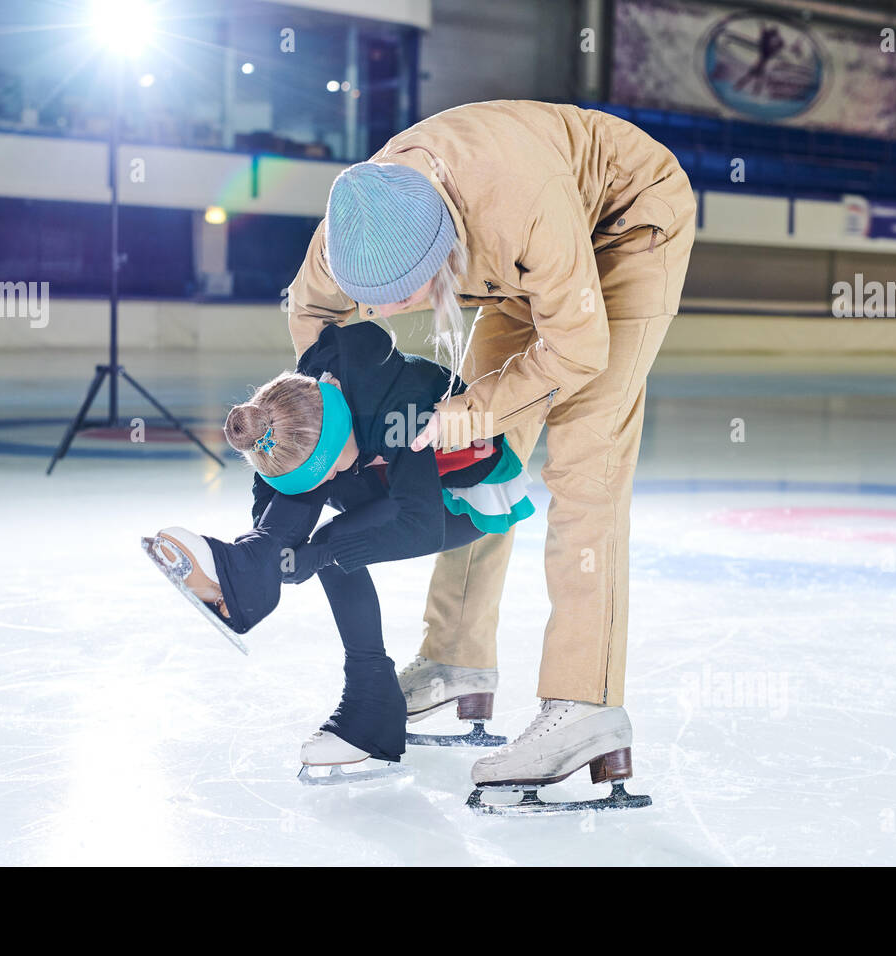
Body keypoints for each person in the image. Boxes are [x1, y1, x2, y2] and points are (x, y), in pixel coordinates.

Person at [283, 100, 696, 810]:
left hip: (625, 225)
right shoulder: (358, 219)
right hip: (518, 260)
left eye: (399, 297)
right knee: (474, 462)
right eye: (369, 300)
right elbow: (311, 315)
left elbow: (578, 349)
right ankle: (455, 659)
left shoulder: (521, 203)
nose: (383, 313)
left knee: (584, 464)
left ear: (444, 250)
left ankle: (586, 704)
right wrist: (337, 411)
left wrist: (471, 406)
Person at [145, 320, 537, 782]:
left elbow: (421, 527)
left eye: (328, 468)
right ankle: (248, 568)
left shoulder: (403, 410)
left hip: (460, 494)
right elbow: (273, 480)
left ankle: (372, 707)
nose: (329, 480)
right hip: (378, 465)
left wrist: (313, 557)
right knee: (306, 498)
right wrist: (273, 551)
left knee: (332, 545)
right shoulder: (296, 400)